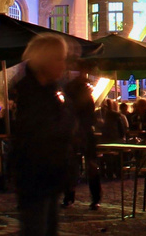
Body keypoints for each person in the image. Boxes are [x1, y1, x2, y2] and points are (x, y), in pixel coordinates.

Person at [7, 34, 75, 236]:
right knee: (37, 228)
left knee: (46, 226)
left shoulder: (50, 91)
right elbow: (40, 135)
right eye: (59, 59)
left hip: (48, 174)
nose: (63, 64)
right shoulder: (32, 94)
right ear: (45, 60)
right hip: (37, 174)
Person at [62, 67, 100, 211]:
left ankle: (69, 197)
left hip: (75, 133)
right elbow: (91, 118)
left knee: (72, 166)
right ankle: (94, 198)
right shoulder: (83, 97)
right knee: (89, 166)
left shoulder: (71, 98)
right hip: (82, 133)